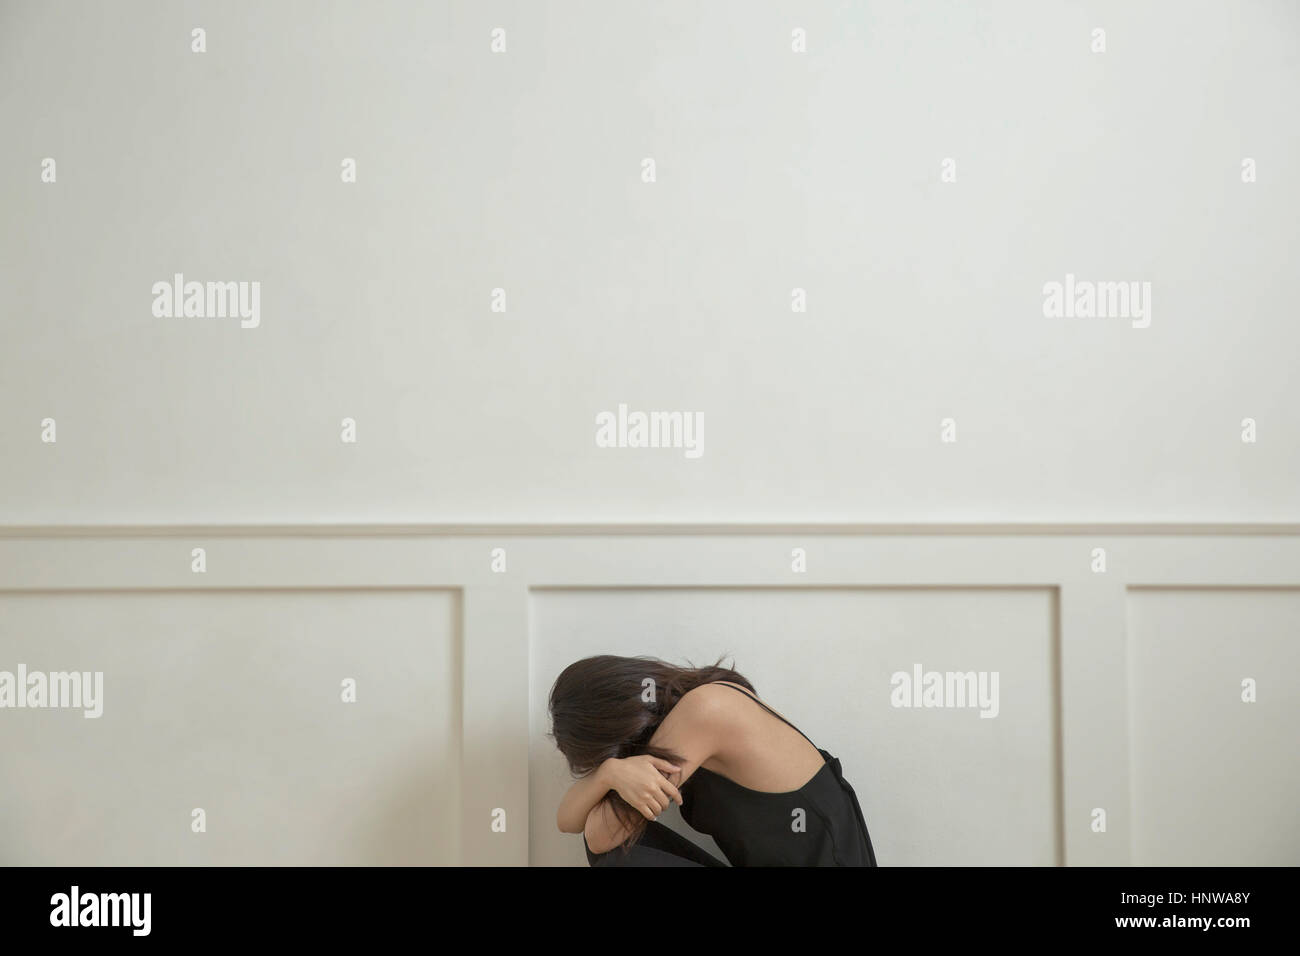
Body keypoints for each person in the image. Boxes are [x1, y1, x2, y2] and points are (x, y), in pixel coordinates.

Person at [549, 654, 878, 866]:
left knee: (615, 855)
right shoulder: (698, 700)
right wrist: (607, 774)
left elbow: (599, 836)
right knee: (614, 847)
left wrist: (609, 774)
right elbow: (570, 822)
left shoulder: (702, 712)